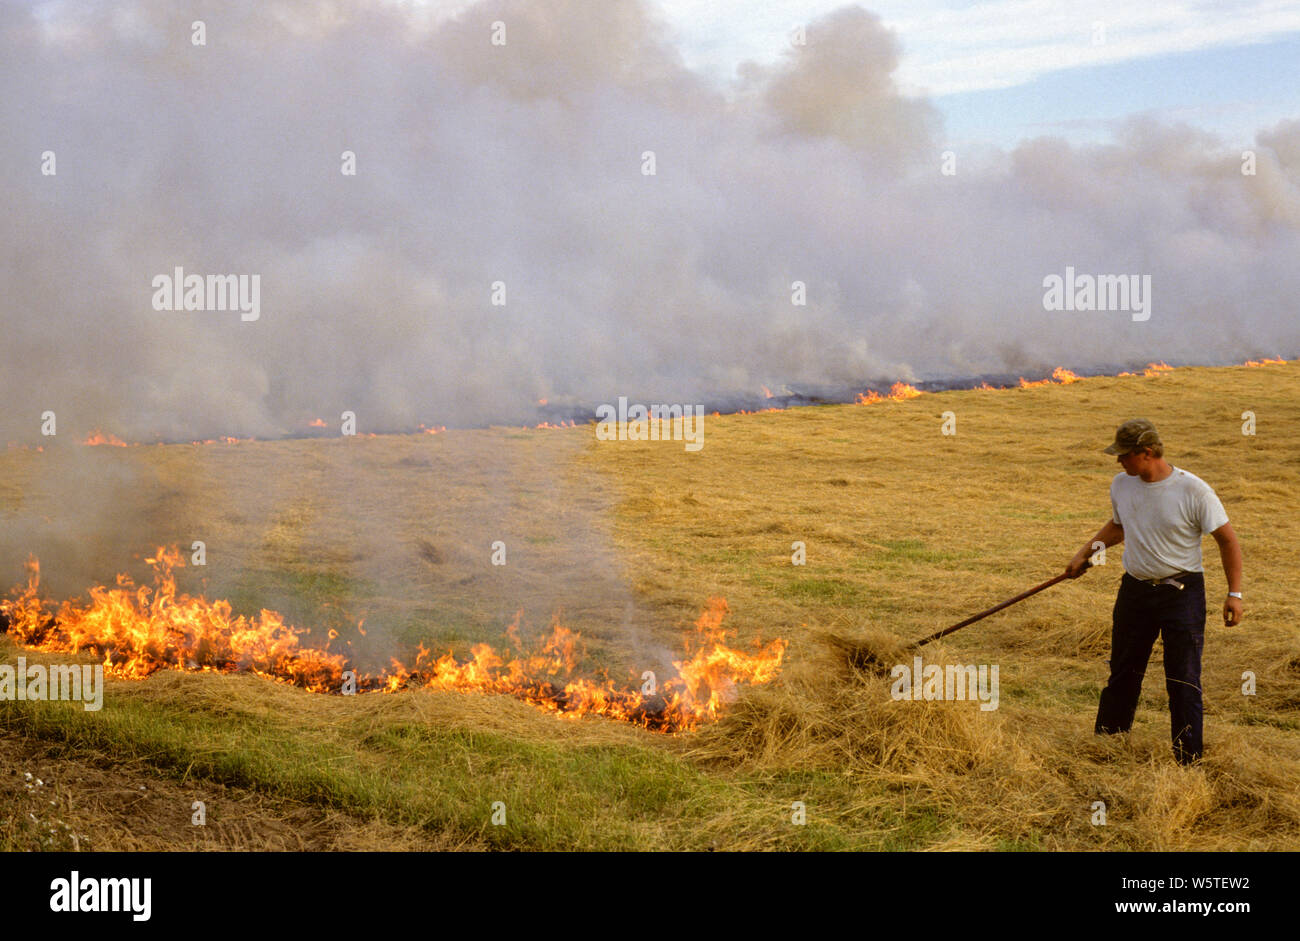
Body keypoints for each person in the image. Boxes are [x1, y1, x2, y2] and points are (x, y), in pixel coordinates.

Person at [1065, 418, 1243, 764]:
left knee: (1182, 677)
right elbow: (1119, 526)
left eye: (1125, 455)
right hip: (1134, 591)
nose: (1119, 462)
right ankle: (1109, 743)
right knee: (1123, 669)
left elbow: (1227, 540)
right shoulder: (1122, 485)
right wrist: (1085, 553)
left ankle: (1187, 759)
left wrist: (1234, 594)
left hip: (1182, 594)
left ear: (1147, 453)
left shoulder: (1194, 491)